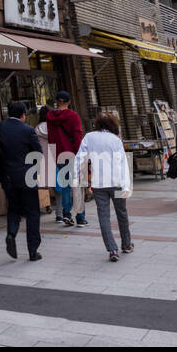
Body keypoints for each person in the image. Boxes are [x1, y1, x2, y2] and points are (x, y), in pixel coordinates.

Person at [75, 111, 134, 262]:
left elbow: (80, 157)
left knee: (104, 216)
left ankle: (112, 249)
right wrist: (127, 185)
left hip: (99, 184)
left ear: (98, 123)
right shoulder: (116, 140)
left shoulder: (89, 137)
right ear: (113, 125)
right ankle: (126, 244)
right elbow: (123, 164)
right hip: (117, 184)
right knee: (122, 213)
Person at [0, 100, 44, 261]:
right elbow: (38, 153)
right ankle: (33, 250)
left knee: (13, 208)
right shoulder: (27, 130)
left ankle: (11, 233)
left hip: (7, 177)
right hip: (26, 176)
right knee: (32, 212)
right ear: (23, 115)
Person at [46, 90, 88, 227]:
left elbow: (51, 138)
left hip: (59, 155)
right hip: (73, 154)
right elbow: (77, 137)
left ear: (57, 101)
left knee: (65, 186)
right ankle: (80, 218)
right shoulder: (73, 116)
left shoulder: (49, 116)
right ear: (69, 102)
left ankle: (66, 214)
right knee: (77, 186)